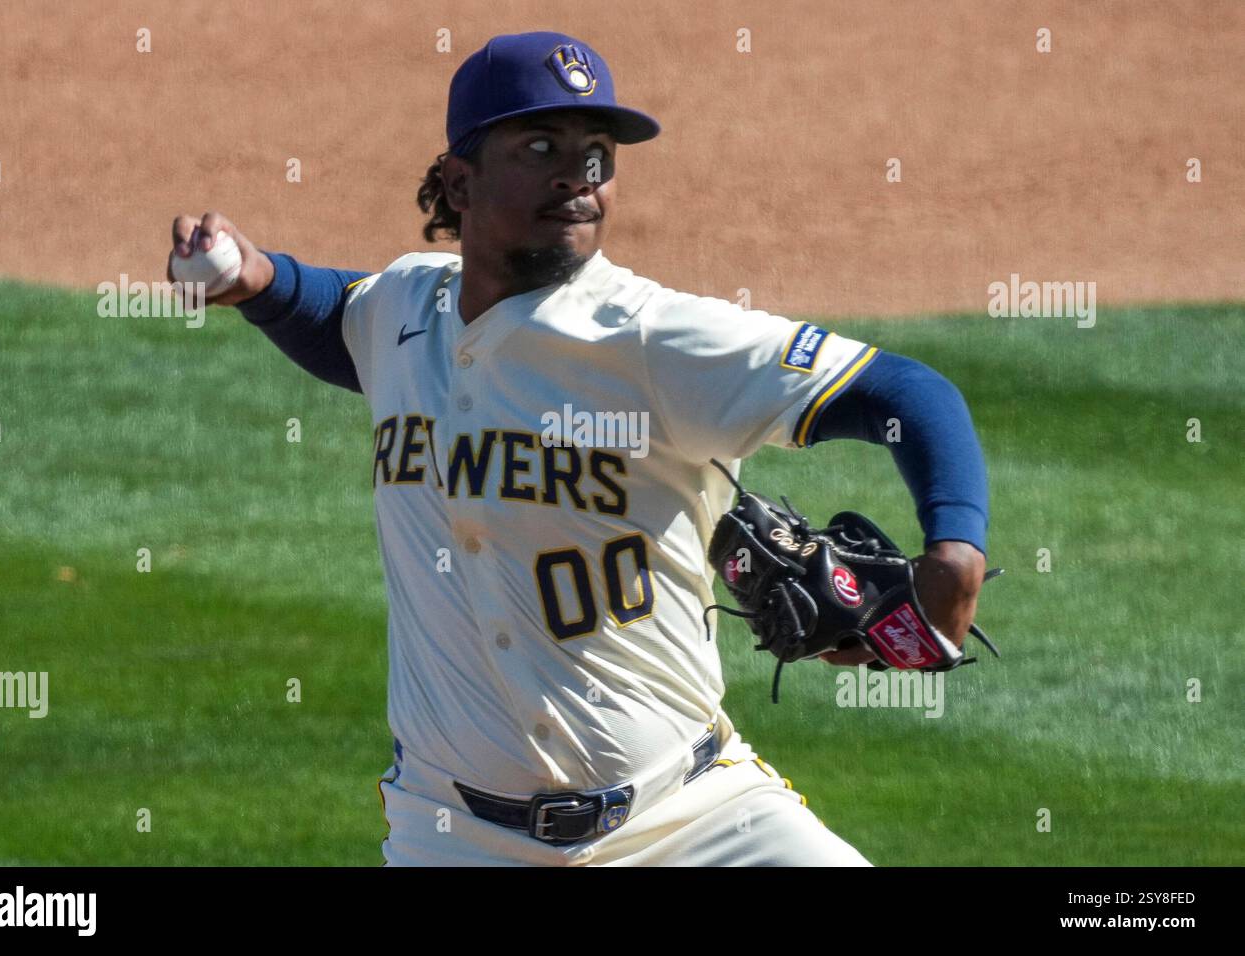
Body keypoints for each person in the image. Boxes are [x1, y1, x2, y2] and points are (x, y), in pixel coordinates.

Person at [167, 31, 990, 866]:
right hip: (452, 835)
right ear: (459, 180)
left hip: (693, 819)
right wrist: (256, 281)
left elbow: (909, 395)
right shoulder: (405, 309)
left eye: (596, 154)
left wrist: (955, 550)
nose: (578, 175)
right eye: (539, 147)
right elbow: (338, 313)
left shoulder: (653, 338)